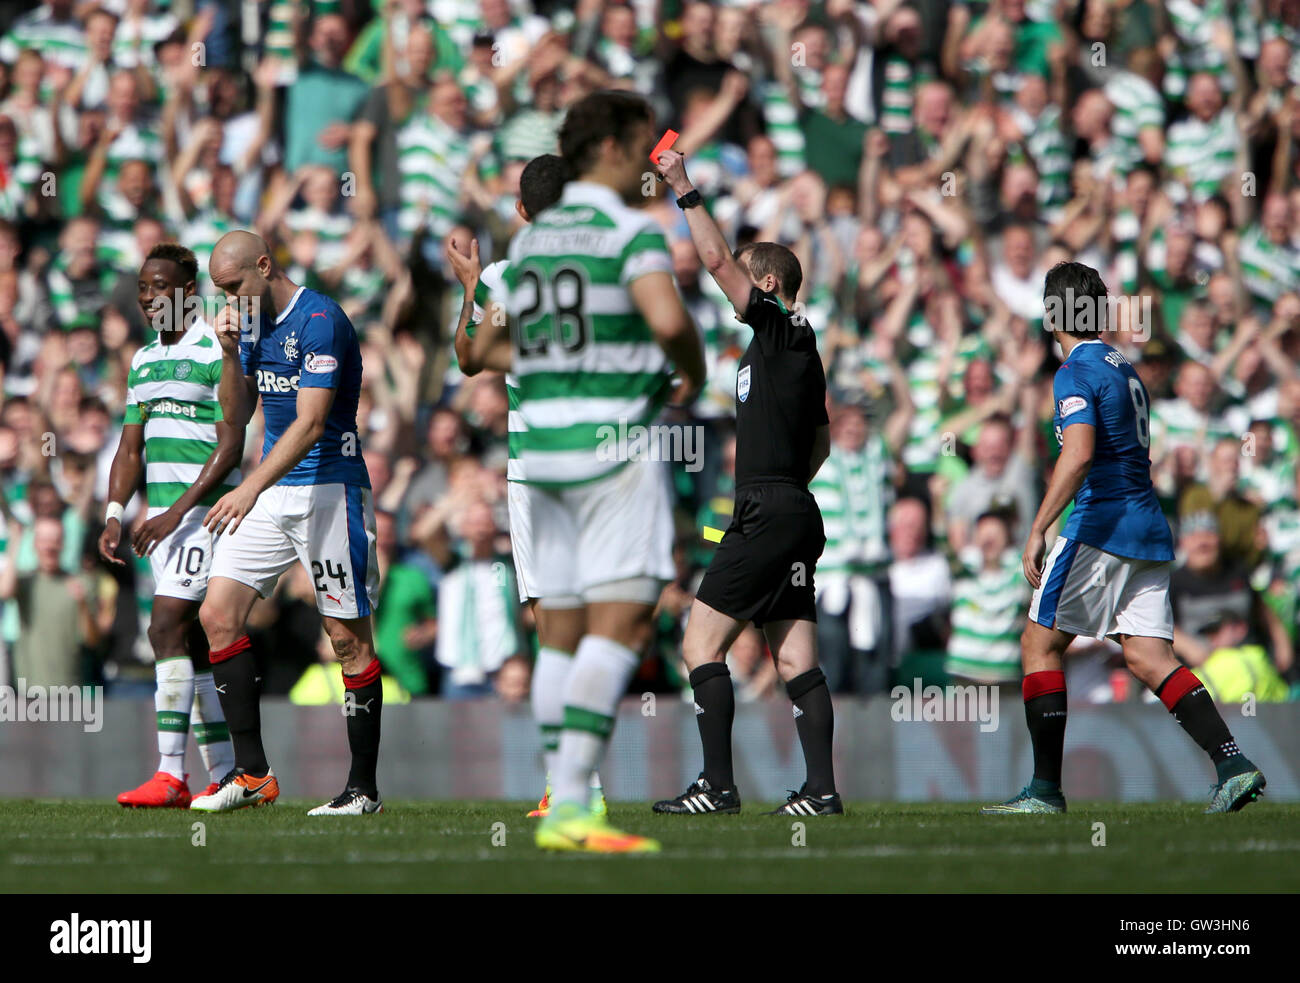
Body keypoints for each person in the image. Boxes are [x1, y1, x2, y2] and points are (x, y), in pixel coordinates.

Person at [473, 92, 706, 852]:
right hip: (612, 451)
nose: (645, 162)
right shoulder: (626, 231)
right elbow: (670, 323)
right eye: (638, 146)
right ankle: (575, 798)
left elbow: (480, 353)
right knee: (625, 620)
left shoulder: (528, 250)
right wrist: (689, 374)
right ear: (607, 148)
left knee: (559, 629)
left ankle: (568, 801)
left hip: (539, 457)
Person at [984, 262, 1265, 816]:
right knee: (1148, 656)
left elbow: (1080, 453)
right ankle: (1232, 762)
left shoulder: (1075, 372)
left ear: (1052, 314)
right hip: (1148, 528)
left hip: (1101, 526)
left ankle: (1044, 791)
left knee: (1039, 645)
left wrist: (1039, 526)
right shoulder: (1125, 367)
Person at [650, 144, 837, 817]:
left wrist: (683, 188)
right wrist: (787, 489)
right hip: (785, 508)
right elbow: (821, 434)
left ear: (766, 284)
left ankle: (718, 786)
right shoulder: (786, 348)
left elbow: (716, 261)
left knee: (700, 642)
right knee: (794, 660)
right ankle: (821, 790)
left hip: (771, 509)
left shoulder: (784, 328)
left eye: (747, 282)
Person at [191, 229, 383, 817]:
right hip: (274, 493)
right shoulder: (247, 326)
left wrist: (249, 486)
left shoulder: (321, 320)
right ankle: (252, 775)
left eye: (232, 287)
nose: (226, 300)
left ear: (265, 266)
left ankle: (362, 791)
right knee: (216, 615)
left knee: (347, 640)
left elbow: (311, 423)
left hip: (329, 489)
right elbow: (236, 412)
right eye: (218, 291)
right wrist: (227, 353)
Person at [445, 152, 606, 817]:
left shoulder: (506, 278)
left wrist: (470, 285)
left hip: (537, 462)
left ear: (520, 212)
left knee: (549, 620)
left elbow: (467, 359)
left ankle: (575, 784)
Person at [98, 243, 241, 808]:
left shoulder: (217, 349)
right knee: (191, 647)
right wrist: (114, 513)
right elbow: (130, 447)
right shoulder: (141, 361)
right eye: (143, 288)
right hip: (160, 524)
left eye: (163, 287)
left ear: (189, 291)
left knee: (163, 629)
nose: (150, 297)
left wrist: (177, 513)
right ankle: (230, 774)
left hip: (205, 517)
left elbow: (231, 446)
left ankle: (170, 774)